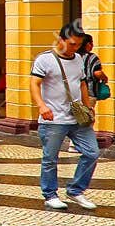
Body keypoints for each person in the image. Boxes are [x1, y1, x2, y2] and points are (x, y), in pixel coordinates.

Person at [31, 23, 100, 211]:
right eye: (71, 44)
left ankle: (76, 190)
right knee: (50, 158)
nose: (74, 48)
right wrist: (42, 106)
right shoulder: (44, 60)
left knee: (92, 153)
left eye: (78, 45)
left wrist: (88, 107)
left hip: (77, 119)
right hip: (53, 119)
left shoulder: (78, 59)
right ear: (61, 40)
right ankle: (50, 194)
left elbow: (82, 84)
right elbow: (35, 83)